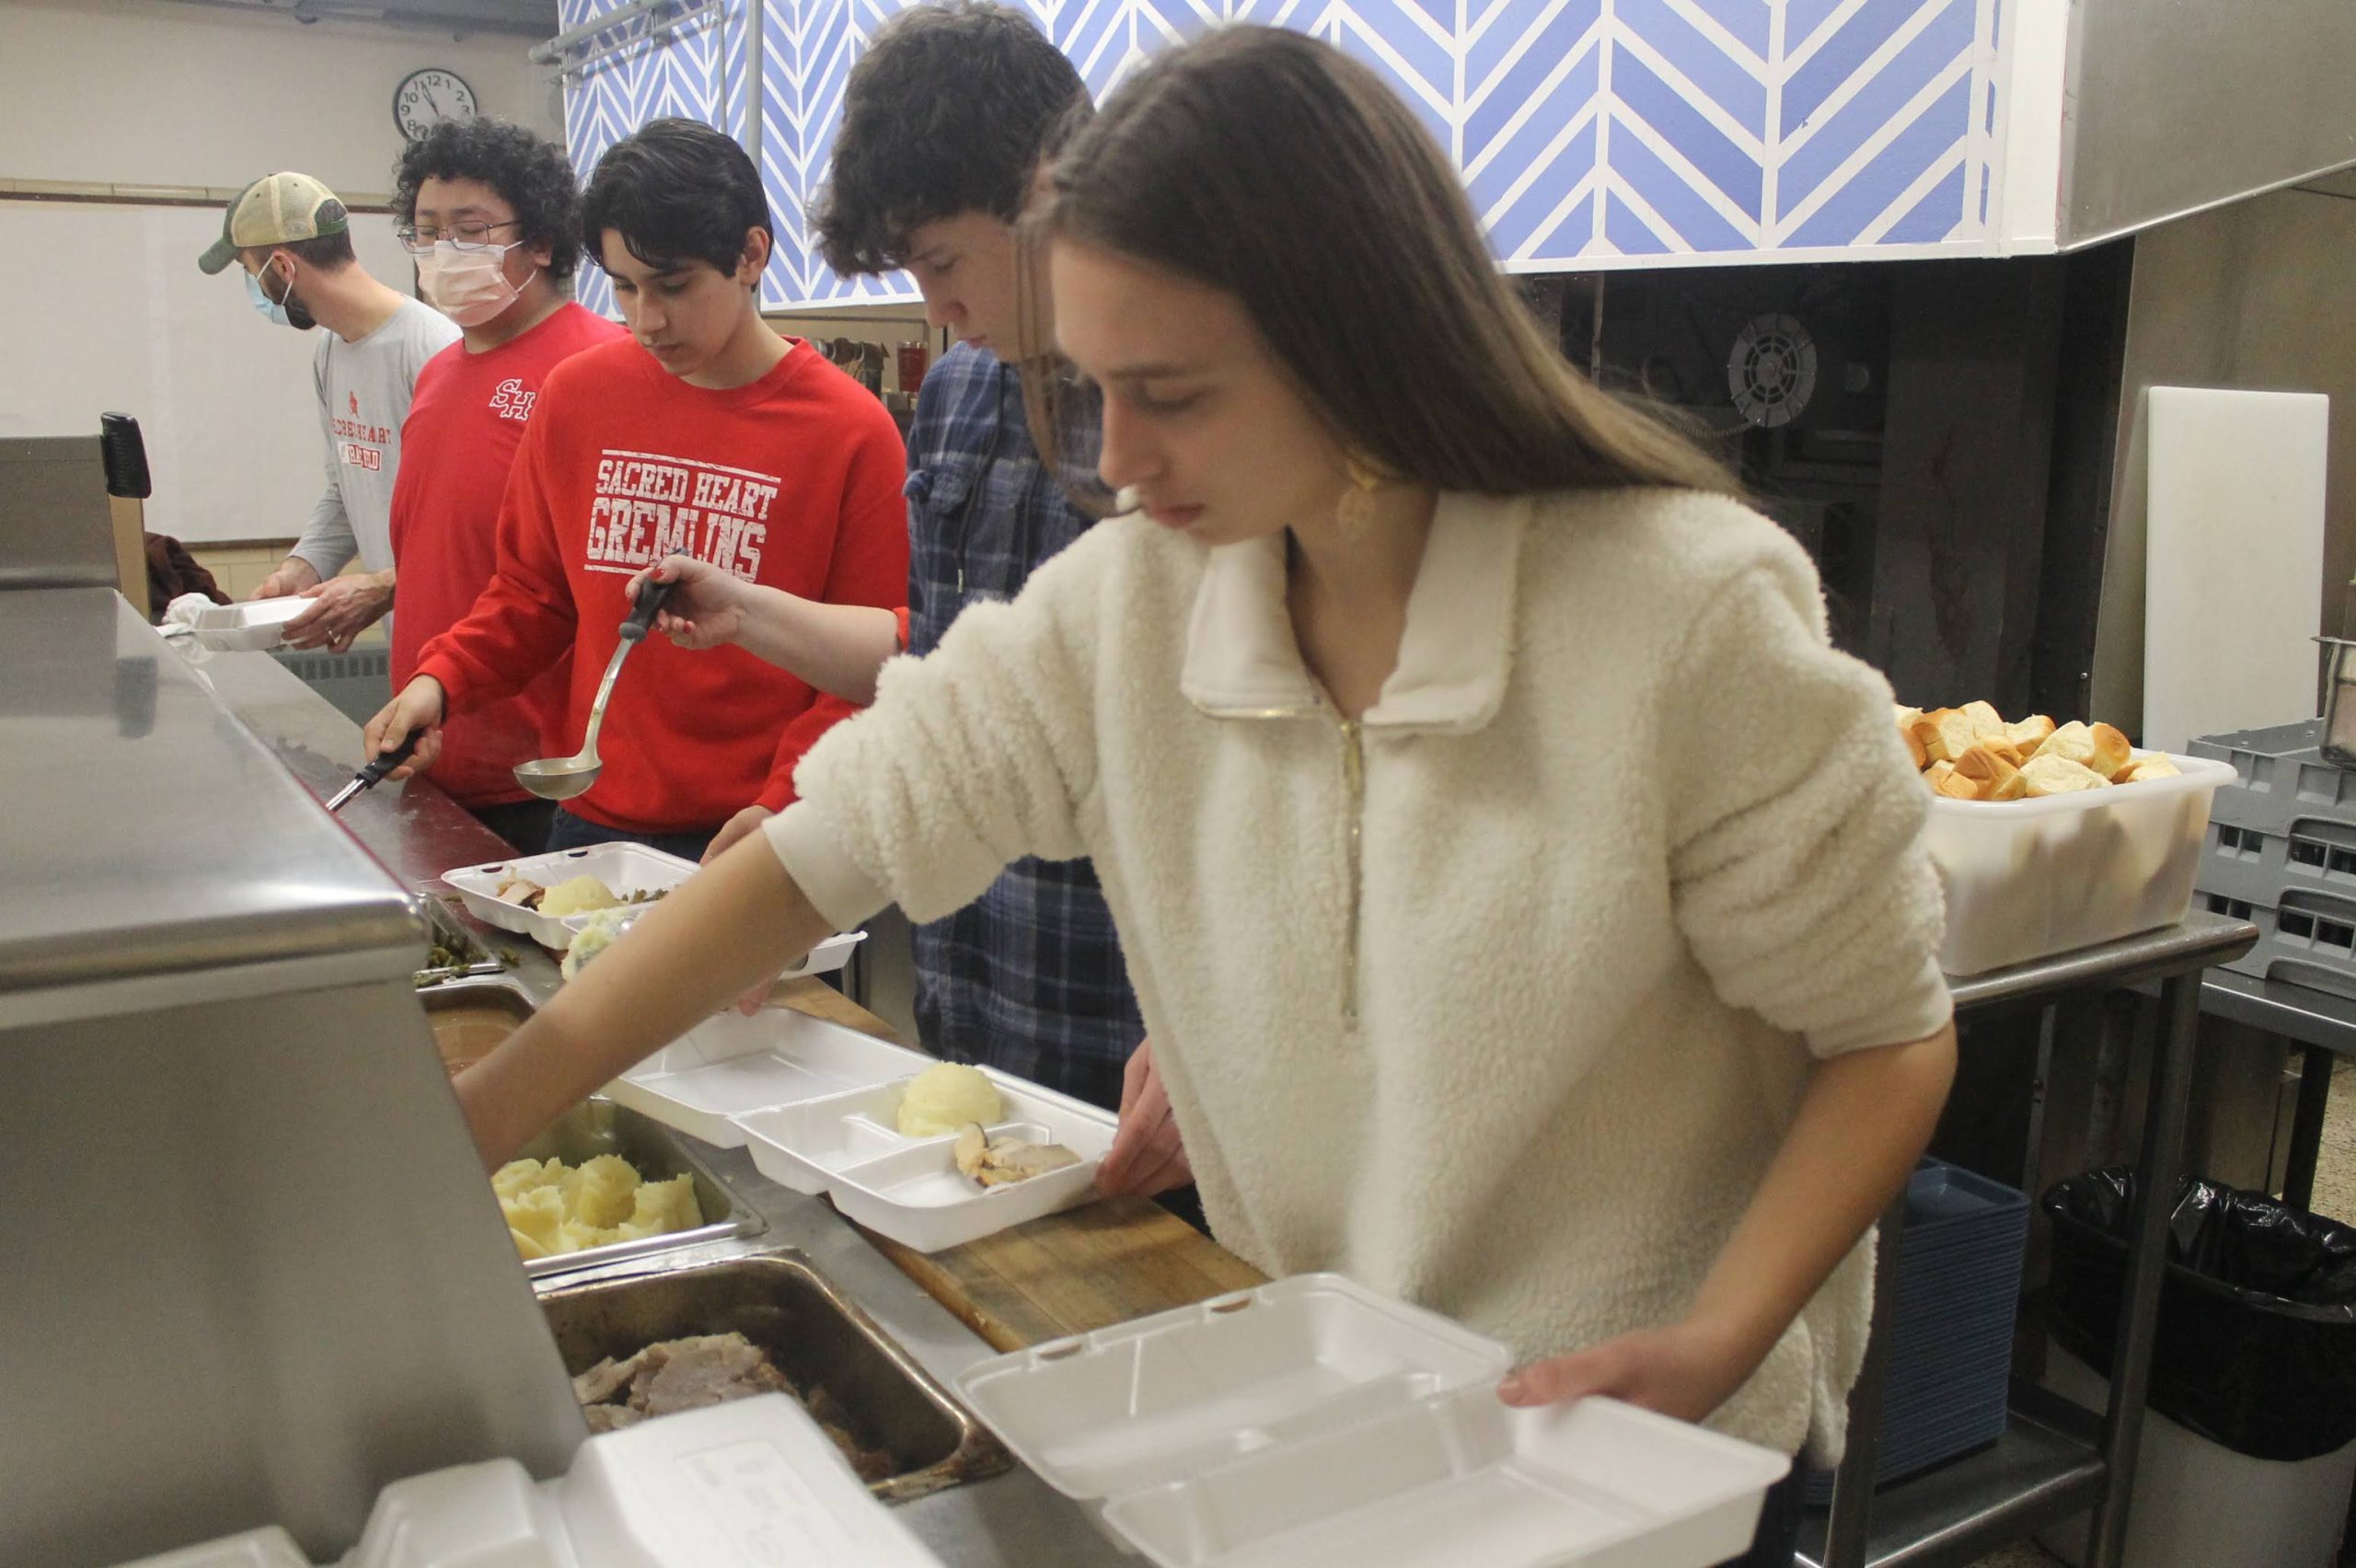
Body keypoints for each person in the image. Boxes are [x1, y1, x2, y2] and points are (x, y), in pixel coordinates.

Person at [450, 30, 1956, 1567]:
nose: (1117, 459)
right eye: (1092, 385)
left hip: (1627, 1469)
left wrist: (1719, 1333)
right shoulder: (1136, 613)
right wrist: (478, 1120)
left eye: (1168, 391)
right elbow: (817, 855)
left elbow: (1889, 1032)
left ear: (1358, 337)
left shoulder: (1679, 617)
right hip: (1336, 1424)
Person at [362, 119, 907, 864]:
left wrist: (781, 805)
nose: (647, 320)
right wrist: (442, 681)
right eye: (624, 287)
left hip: (762, 827)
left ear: (751, 255)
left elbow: (869, 669)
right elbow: (532, 594)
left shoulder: (851, 432)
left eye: (674, 286)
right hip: (592, 821)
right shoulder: (579, 397)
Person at [798, 0, 1148, 1115]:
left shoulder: (1199, 399)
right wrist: (816, 836)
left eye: (944, 260)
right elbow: (940, 683)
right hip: (973, 983)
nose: (936, 309)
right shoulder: (953, 394)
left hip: (1138, 1012)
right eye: (910, 269)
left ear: (1048, 187)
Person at [386, 119, 628, 854]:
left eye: (471, 229)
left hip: (545, 782)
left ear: (543, 242)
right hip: (433, 758)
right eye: (427, 231)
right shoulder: (438, 373)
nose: (442, 252)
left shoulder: (602, 369)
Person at [198, 170, 460, 652]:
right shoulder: (330, 353)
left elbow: (474, 527)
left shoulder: (433, 352)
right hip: (410, 641)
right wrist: (303, 567)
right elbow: (348, 488)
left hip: (465, 646)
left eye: (248, 271)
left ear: (281, 265)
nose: (252, 288)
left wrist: (382, 585)